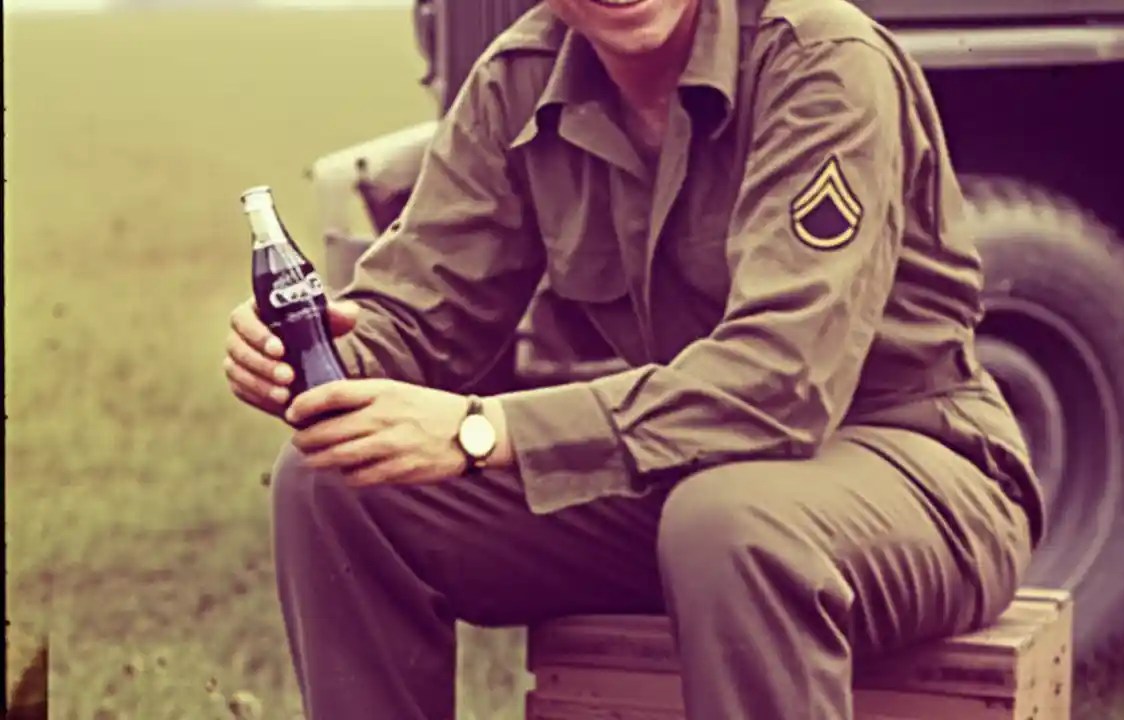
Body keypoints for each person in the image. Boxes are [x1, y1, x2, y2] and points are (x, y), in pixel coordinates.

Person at [223, 0, 1045, 717]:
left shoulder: (822, 57)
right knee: (336, 483)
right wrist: (314, 358)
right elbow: (418, 315)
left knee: (731, 523)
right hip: (688, 468)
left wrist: (481, 431)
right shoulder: (521, 78)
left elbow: (783, 379)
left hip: (918, 466)